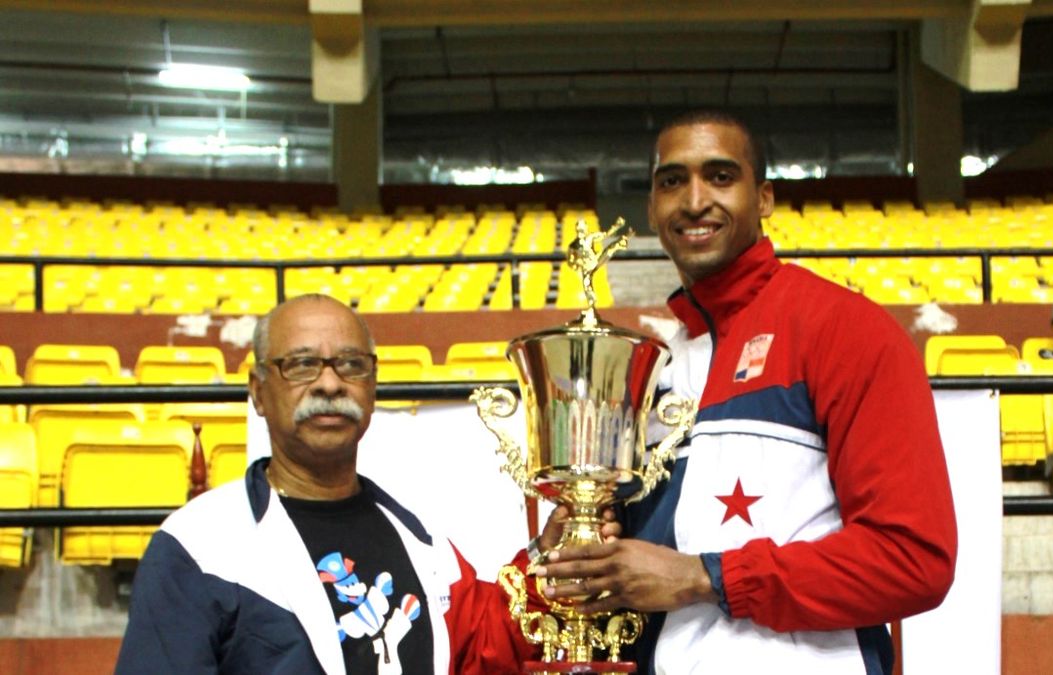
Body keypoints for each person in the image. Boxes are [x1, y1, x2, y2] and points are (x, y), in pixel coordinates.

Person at [537, 110, 957, 674]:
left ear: (763, 199)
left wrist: (706, 577)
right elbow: (643, 575)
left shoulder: (845, 330)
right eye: (672, 181)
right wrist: (588, 547)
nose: (694, 201)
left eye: (720, 176)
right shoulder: (653, 372)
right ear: (652, 208)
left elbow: (913, 560)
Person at [116, 294, 589, 674]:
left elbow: (481, 647)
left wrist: (549, 566)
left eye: (351, 364)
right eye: (301, 364)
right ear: (258, 392)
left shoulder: (420, 540)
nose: (329, 383)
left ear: (372, 385)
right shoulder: (199, 547)